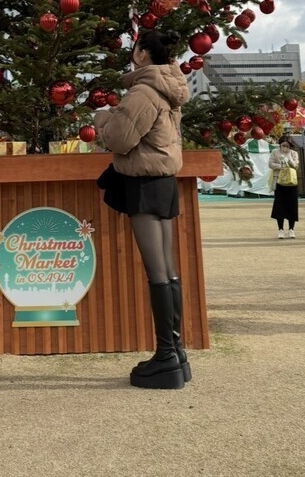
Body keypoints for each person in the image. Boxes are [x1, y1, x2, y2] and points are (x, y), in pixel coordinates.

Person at [94, 30, 190, 390]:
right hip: (164, 182)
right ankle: (176, 353)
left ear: (143, 53)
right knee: (167, 269)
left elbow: (119, 139)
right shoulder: (170, 88)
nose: (131, 52)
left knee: (157, 272)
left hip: (144, 183)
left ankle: (165, 356)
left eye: (134, 47)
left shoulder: (144, 91)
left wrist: (102, 117)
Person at [269, 135, 300, 239]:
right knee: (279, 205)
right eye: (283, 145)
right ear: (280, 145)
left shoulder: (294, 153)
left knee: (292, 205)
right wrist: (281, 165)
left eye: (287, 146)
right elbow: (270, 164)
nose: (285, 147)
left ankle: (291, 229)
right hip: (279, 180)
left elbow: (296, 166)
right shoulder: (275, 152)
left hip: (291, 182)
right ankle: (280, 229)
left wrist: (289, 160)